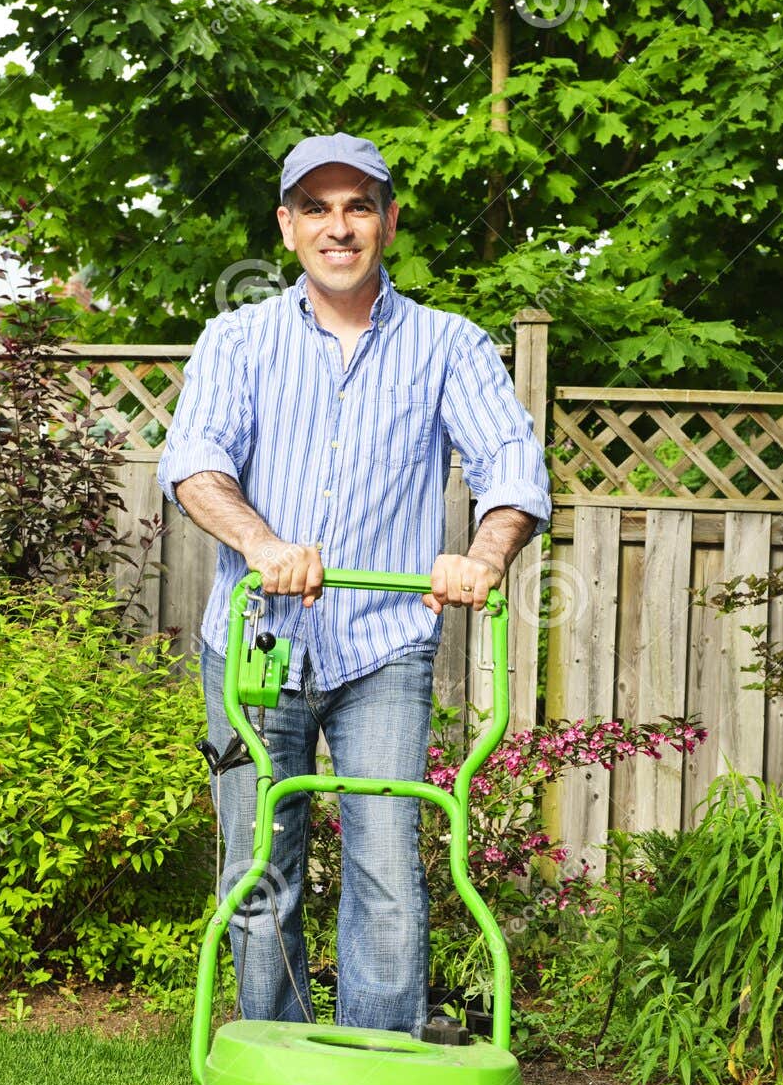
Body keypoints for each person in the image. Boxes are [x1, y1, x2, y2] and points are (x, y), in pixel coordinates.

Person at [157, 131, 551, 1036]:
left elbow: (512, 471)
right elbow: (195, 464)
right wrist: (261, 542)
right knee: (261, 871)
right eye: (318, 208)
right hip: (257, 643)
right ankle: (265, 1081)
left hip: (382, 647)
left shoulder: (448, 345)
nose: (340, 227)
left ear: (389, 222)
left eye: (359, 206)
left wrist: (484, 556)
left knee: (385, 870)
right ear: (288, 226)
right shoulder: (238, 339)